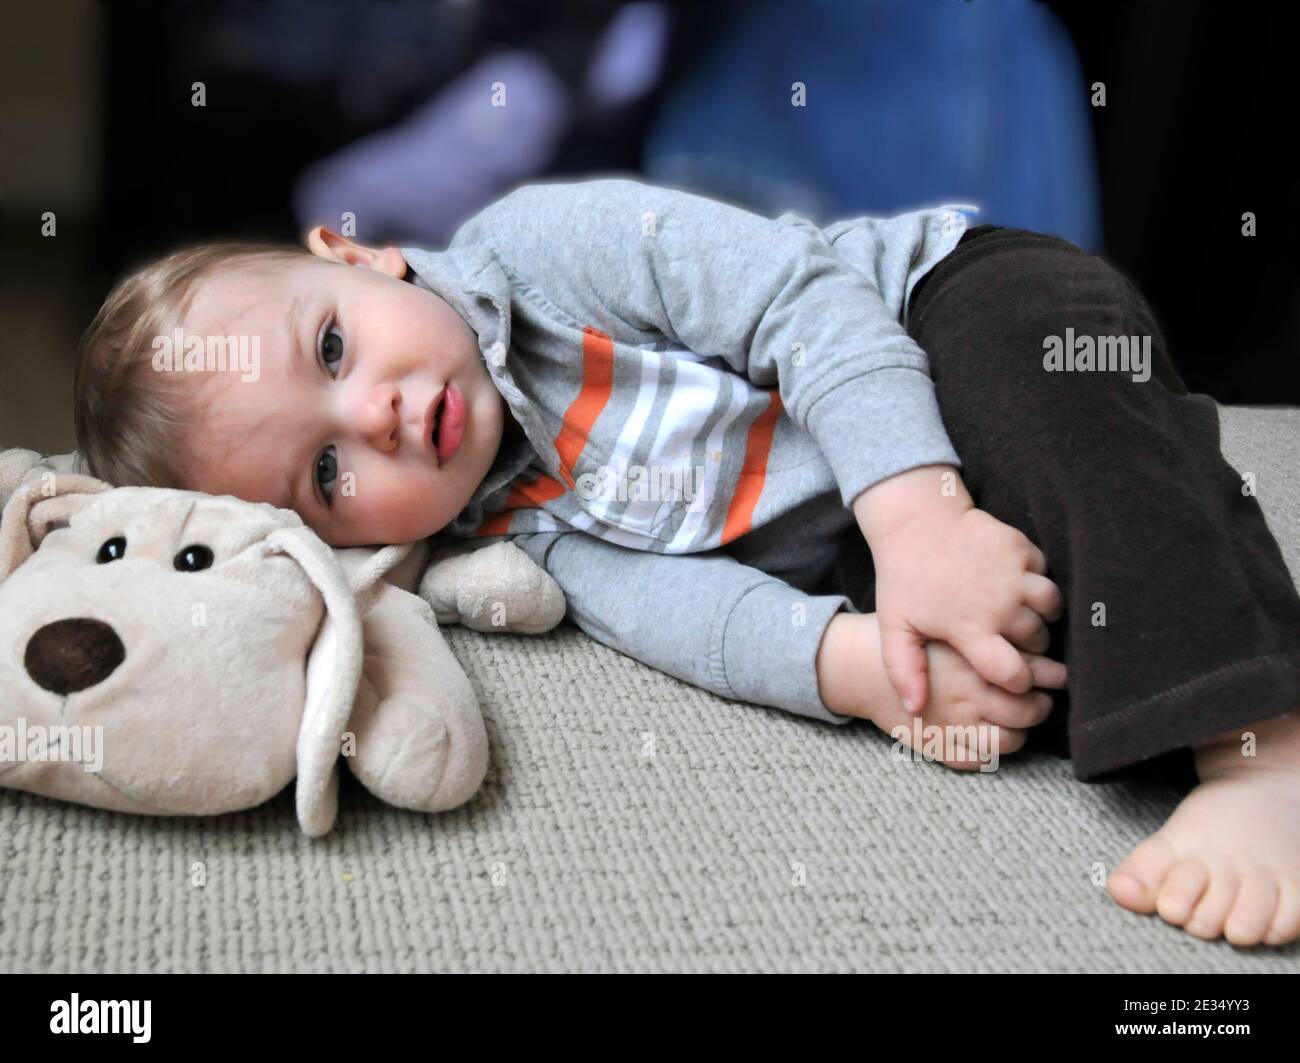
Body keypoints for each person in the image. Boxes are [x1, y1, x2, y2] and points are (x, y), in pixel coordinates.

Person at [74, 177, 1300, 946]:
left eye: (334, 347)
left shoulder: (540, 255)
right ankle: (1157, 511)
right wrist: (855, 664)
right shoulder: (507, 528)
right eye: (327, 474)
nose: (377, 416)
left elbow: (801, 302)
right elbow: (684, 613)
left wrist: (918, 516)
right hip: (882, 542)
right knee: (1000, 660)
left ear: (358, 255)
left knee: (1058, 410)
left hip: (940, 311)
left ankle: (1263, 752)